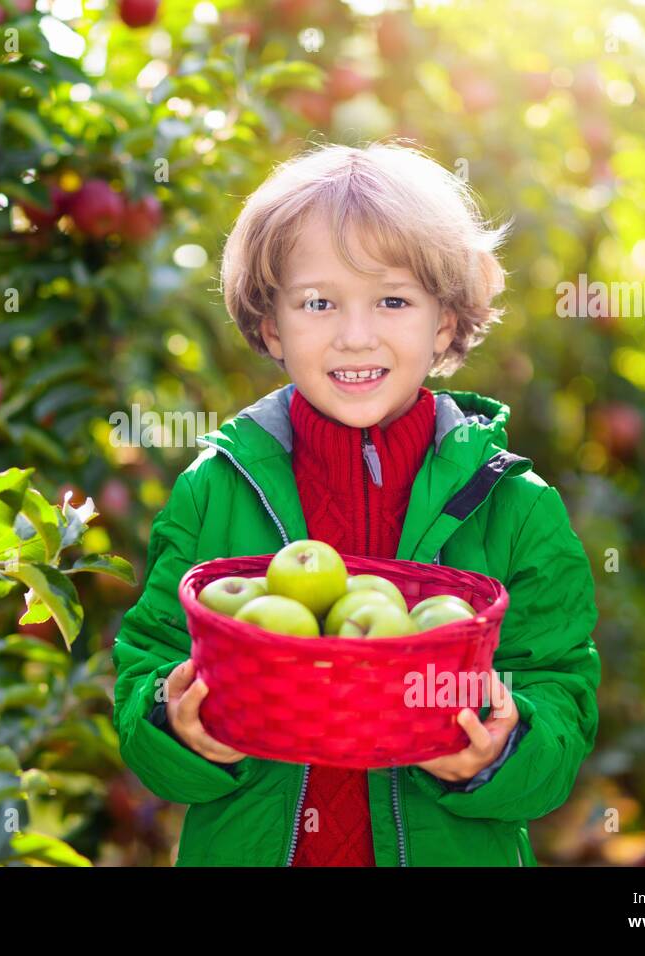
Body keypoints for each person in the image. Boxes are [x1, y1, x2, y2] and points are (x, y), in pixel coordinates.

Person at [110, 140, 601, 866]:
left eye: (393, 300)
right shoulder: (215, 490)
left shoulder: (512, 505)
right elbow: (148, 662)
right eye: (318, 302)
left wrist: (504, 746)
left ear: (443, 322)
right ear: (271, 323)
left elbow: (561, 689)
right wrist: (174, 725)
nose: (355, 334)